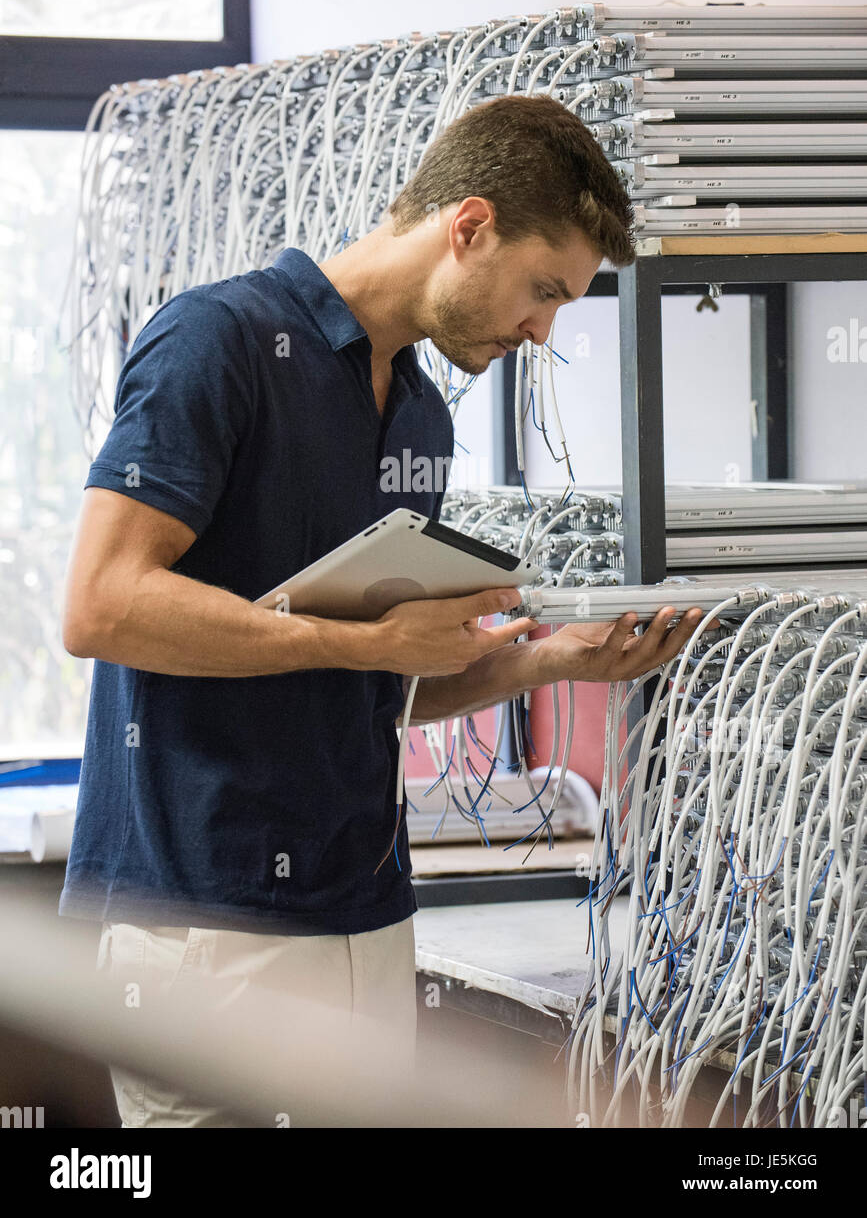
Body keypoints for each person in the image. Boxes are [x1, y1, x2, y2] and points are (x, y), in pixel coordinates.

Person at [59, 94, 706, 1127]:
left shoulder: (417, 412)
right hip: (204, 926)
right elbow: (102, 605)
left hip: (365, 913)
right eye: (543, 291)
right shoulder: (217, 342)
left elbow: (377, 682)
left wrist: (548, 660)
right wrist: (366, 640)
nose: (542, 331)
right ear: (469, 227)